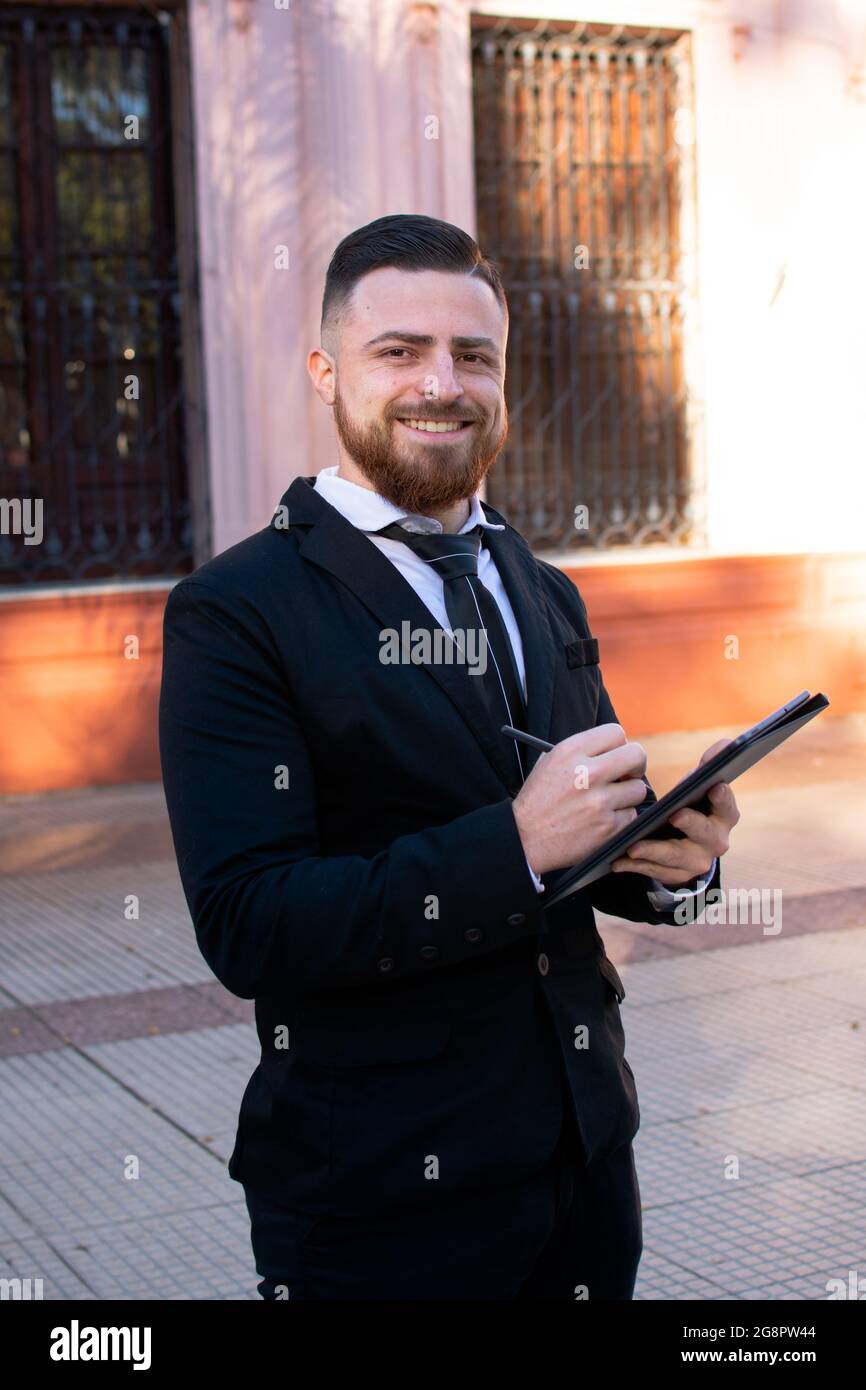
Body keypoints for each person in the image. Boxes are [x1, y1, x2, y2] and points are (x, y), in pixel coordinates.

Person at [159, 213, 740, 1301]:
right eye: (401, 351)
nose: (444, 383)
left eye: (473, 355)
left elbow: (583, 834)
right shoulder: (234, 611)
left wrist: (671, 862)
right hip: (378, 1199)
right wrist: (513, 847)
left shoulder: (536, 581)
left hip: (583, 1164)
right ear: (326, 371)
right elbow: (248, 920)